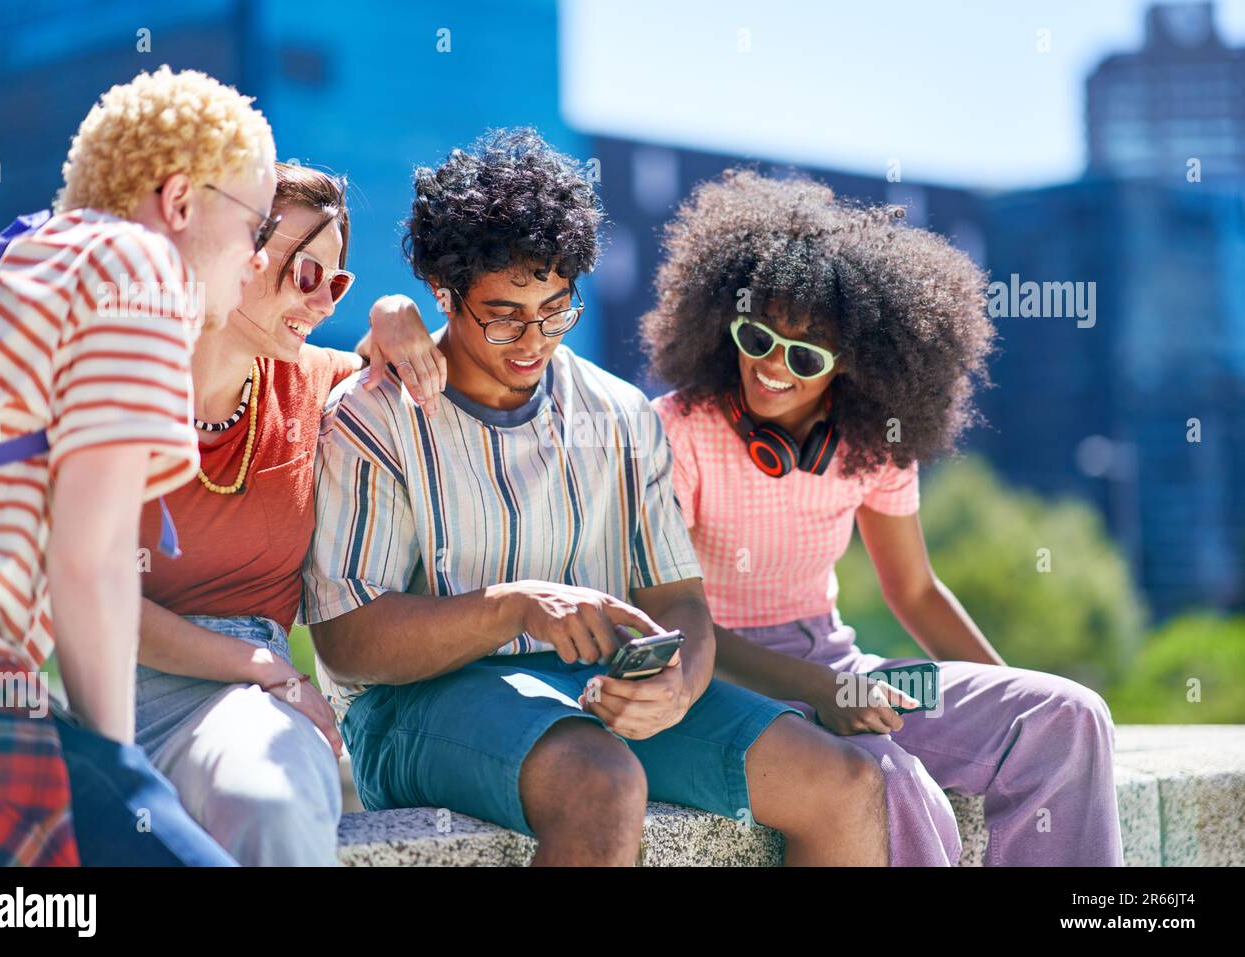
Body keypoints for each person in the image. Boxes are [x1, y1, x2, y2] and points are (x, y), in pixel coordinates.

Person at [303, 129, 893, 866]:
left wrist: (678, 686)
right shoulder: (373, 415)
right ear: (443, 295)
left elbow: (681, 603)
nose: (533, 339)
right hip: (411, 705)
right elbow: (348, 640)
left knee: (843, 780)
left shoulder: (619, 413)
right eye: (504, 314)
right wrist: (515, 607)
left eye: (555, 309)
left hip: (594, 688)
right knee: (603, 780)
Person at [640, 169, 1123, 866]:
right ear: (725, 326)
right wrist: (820, 691)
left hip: (835, 658)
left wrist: (1002, 703)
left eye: (805, 353)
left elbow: (916, 591)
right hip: (718, 669)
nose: (774, 365)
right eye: (758, 337)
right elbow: (671, 618)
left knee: (1069, 716)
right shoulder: (679, 429)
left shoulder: (877, 439)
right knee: (893, 783)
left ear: (852, 364)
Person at [0, 65, 279, 865]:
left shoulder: (27, 260)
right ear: (180, 202)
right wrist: (123, 784)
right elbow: (92, 559)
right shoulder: (137, 266)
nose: (257, 262)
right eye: (257, 229)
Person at [133, 162, 382, 866]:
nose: (324, 301)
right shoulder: (119, 382)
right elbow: (91, 601)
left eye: (338, 283)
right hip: (107, 687)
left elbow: (389, 364)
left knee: (266, 800)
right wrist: (266, 666)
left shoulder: (312, 376)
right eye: (307, 273)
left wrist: (391, 321)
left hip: (248, 705)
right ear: (234, 246)